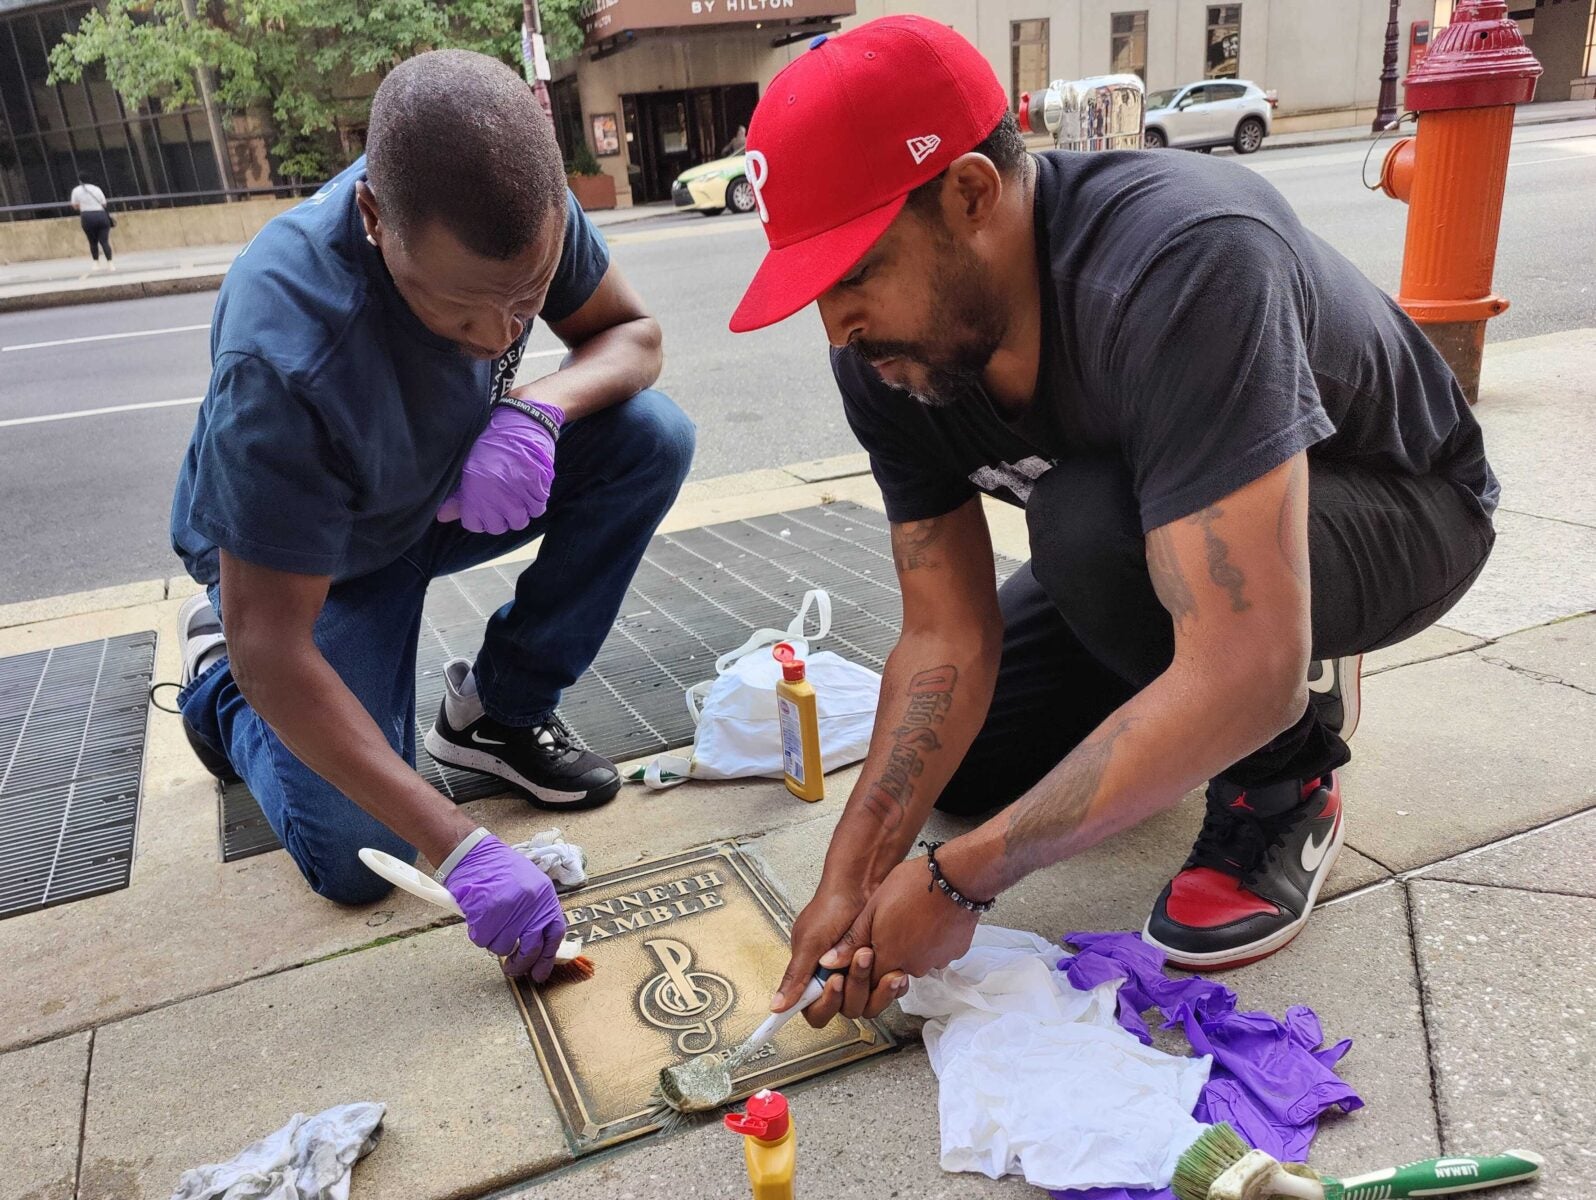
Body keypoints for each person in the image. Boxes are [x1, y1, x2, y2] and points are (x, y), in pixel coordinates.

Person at [729, 17, 1496, 1024]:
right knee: (982, 764)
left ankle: (1284, 779)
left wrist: (963, 882)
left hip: (1399, 501)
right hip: (1161, 524)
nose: (834, 324)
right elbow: (944, 632)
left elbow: (1243, 672)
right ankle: (1192, 663)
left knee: (1089, 528)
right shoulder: (888, 358)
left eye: (854, 272)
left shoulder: (1184, 257)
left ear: (968, 195)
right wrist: (854, 873)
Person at [170, 50, 695, 983]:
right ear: (375, 220)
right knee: (354, 856)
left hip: (444, 492)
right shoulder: (283, 352)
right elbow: (276, 640)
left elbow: (634, 337)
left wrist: (538, 409)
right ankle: (218, 691)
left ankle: (497, 716)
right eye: (459, 314)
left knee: (648, 436)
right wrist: (459, 848)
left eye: (525, 301)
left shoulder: (521, 209)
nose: (499, 338)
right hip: (314, 559)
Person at [69, 176, 114, 267]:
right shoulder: (97, 189)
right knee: (104, 241)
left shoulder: (76, 190)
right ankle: (110, 263)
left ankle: (96, 262)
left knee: (92, 241)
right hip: (101, 215)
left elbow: (74, 206)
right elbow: (104, 203)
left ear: (80, 180)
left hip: (87, 216)